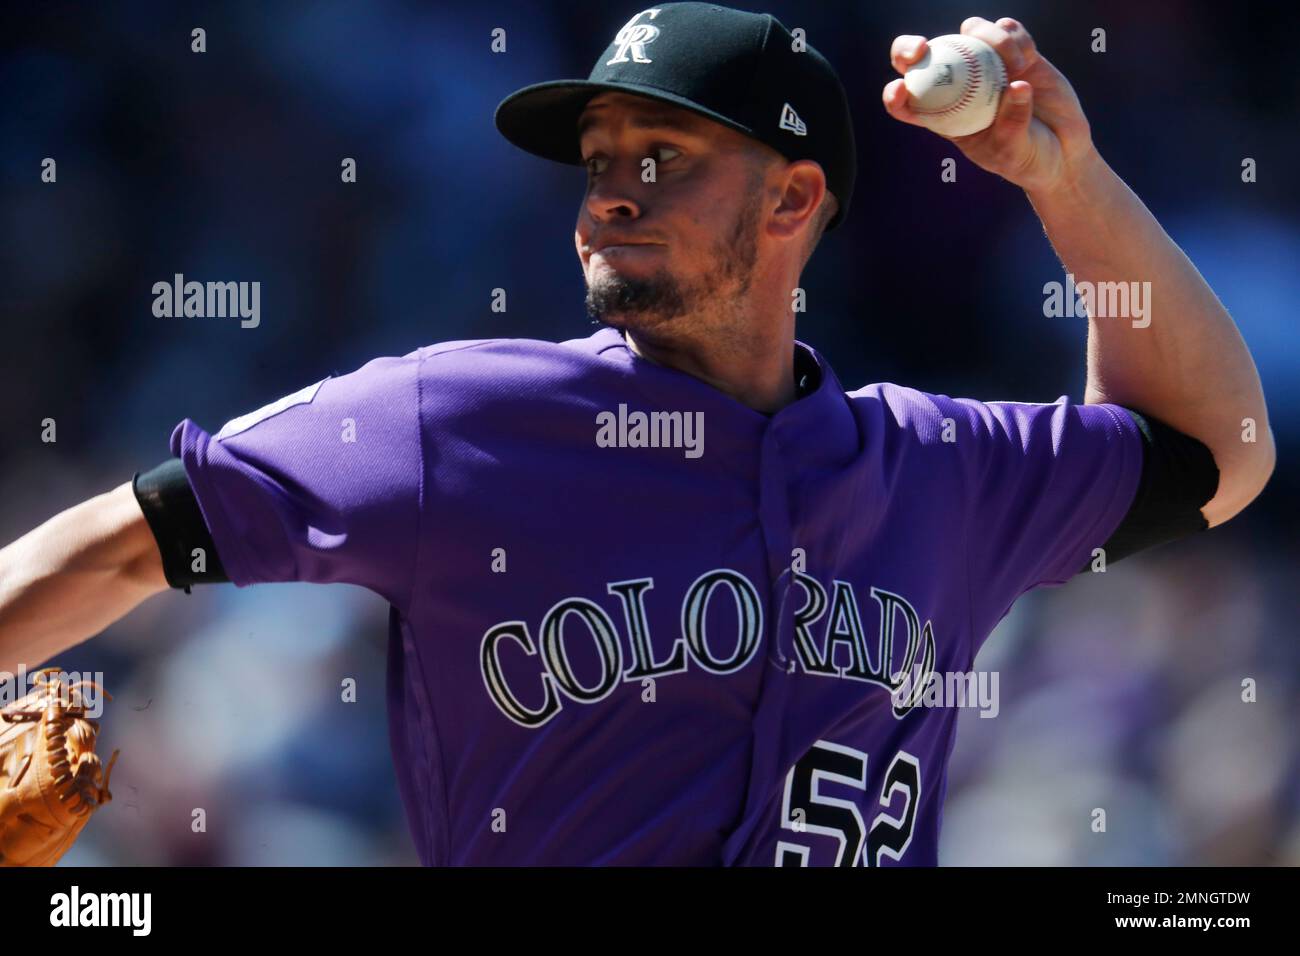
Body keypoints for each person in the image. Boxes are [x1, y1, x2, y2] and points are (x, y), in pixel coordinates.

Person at [0, 4, 1273, 865]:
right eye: (600, 154)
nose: (612, 186)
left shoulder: (938, 468)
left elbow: (1218, 450)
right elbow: (122, 545)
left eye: (664, 155)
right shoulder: (453, 420)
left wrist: (1066, 178)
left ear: (792, 198)